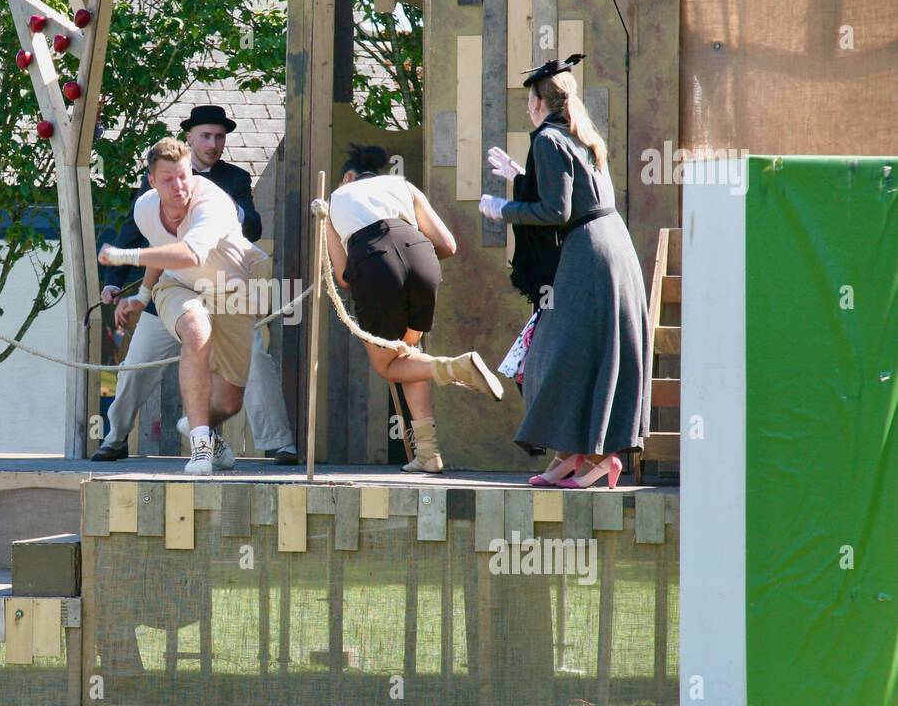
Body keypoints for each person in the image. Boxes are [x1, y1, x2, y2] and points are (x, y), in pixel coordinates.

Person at [478, 56, 651, 489]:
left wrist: (505, 209)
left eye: (528, 101)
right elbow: (574, 192)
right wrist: (522, 177)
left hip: (589, 255)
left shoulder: (547, 139)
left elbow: (557, 209)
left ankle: (596, 457)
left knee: (556, 355)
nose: (527, 109)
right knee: (582, 352)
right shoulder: (580, 135)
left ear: (539, 102)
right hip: (611, 246)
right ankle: (572, 453)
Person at [93, 105, 298, 464]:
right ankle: (115, 436)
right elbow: (140, 236)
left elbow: (253, 228)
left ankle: (278, 442)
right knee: (137, 365)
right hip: (175, 286)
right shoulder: (150, 196)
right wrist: (119, 284)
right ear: (189, 138)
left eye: (220, 137)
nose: (214, 143)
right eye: (206, 136)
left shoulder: (230, 183)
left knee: (255, 363)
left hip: (224, 287)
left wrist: (220, 212)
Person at [326, 145, 503, 473]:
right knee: (408, 355)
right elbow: (448, 244)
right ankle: (428, 452)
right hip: (421, 256)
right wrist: (412, 258)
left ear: (347, 177)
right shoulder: (403, 185)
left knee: (389, 366)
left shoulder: (335, 199)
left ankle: (455, 368)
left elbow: (343, 277)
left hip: (375, 265)